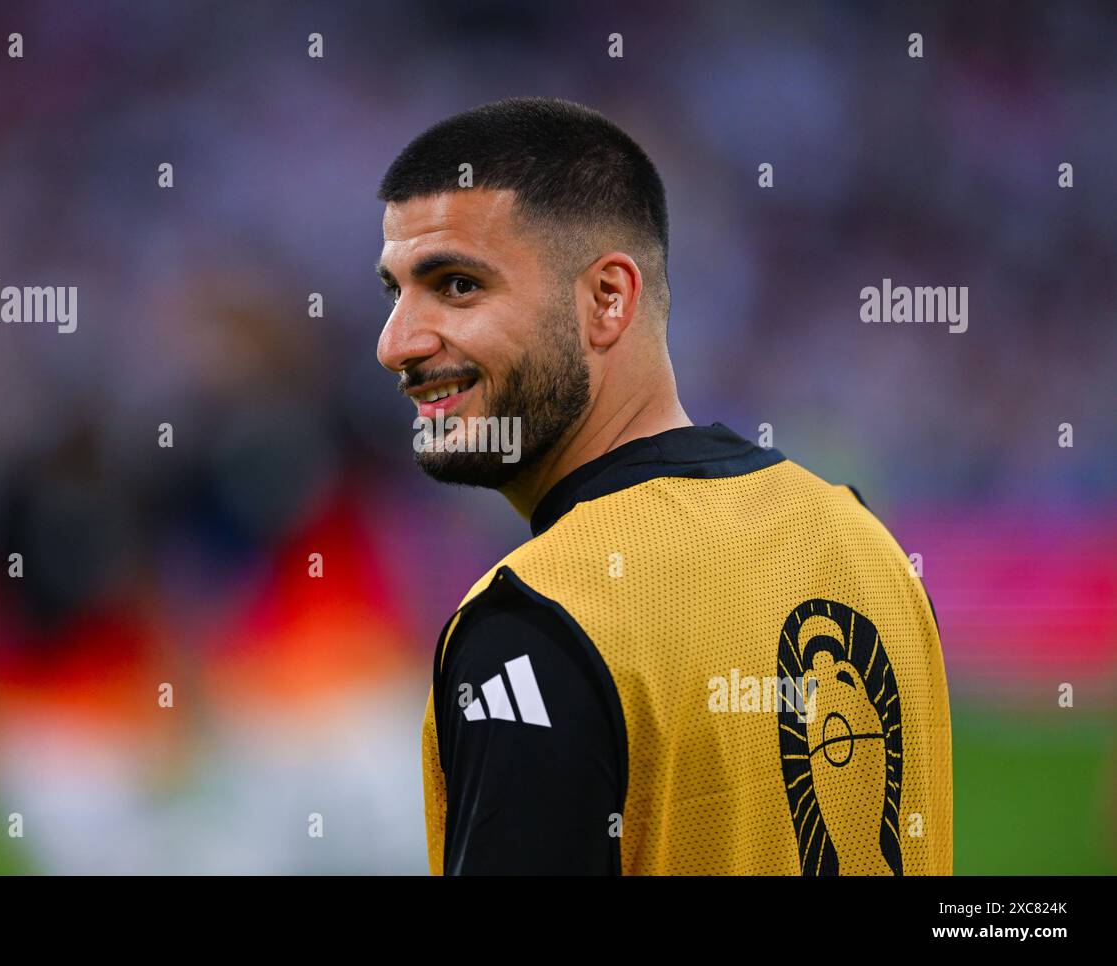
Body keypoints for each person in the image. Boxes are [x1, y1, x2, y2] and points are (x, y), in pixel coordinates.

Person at [374, 96, 952, 875]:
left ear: (607, 299)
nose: (395, 343)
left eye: (456, 285)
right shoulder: (868, 548)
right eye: (395, 291)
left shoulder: (535, 624)